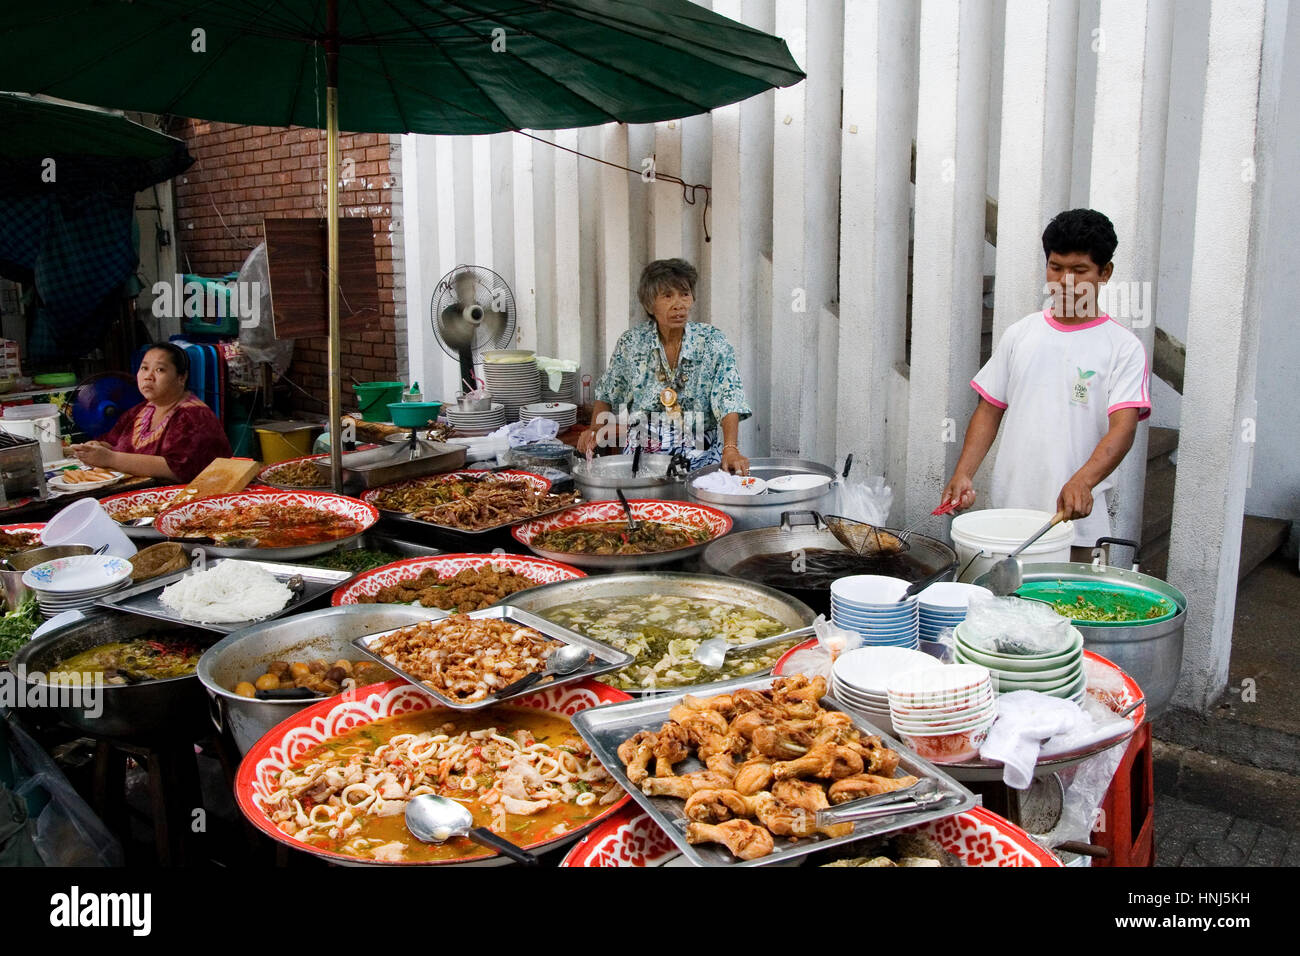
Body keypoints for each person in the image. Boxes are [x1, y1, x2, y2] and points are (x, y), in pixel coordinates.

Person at [940, 209, 1151, 558]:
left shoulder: (1123, 347)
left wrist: (1083, 481)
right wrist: (964, 473)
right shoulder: (1021, 334)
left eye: (1079, 270)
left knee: (1072, 611)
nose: (1065, 281)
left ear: (1105, 273)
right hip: (1008, 519)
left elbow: (1123, 430)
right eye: (1056, 267)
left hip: (1077, 525)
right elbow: (990, 409)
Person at [576, 258, 752, 474]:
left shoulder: (712, 341)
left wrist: (731, 448)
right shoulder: (631, 343)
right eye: (668, 296)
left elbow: (729, 397)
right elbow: (608, 391)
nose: (678, 304)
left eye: (684, 294)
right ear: (650, 304)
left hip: (700, 453)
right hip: (643, 455)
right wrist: (594, 429)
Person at [69, 342, 232, 483]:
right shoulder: (138, 411)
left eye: (160, 370)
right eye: (144, 368)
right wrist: (96, 448)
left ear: (181, 378)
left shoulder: (194, 417)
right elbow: (111, 442)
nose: (148, 376)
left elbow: (179, 470)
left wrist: (110, 458)